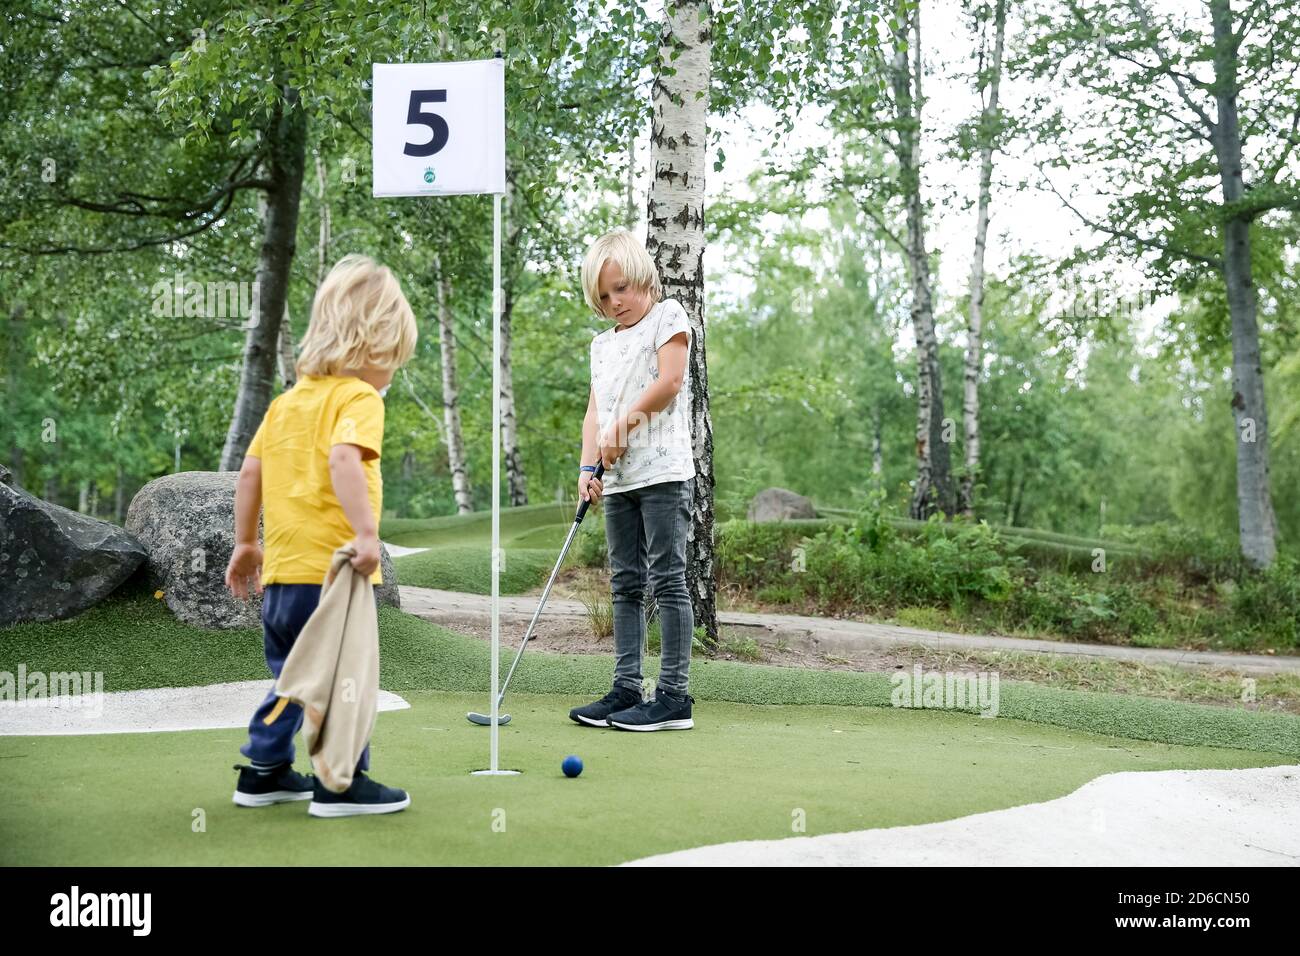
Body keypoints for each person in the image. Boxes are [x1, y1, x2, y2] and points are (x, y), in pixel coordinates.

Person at [224, 253, 417, 815]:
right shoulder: (357, 398)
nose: (391, 375)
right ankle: (343, 783)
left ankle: (264, 772)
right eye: (393, 361)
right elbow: (343, 460)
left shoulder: (286, 403)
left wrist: (245, 544)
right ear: (374, 343)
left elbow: (250, 474)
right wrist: (365, 535)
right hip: (332, 572)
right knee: (342, 678)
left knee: (294, 676)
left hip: (283, 576)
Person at [569, 229, 698, 732]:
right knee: (624, 583)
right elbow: (593, 412)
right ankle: (627, 687)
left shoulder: (668, 317)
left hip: (662, 471)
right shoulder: (602, 345)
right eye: (603, 296)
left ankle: (673, 696)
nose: (614, 302)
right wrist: (587, 467)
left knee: (667, 580)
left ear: (644, 278)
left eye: (621, 287)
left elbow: (668, 382)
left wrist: (624, 428)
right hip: (619, 480)